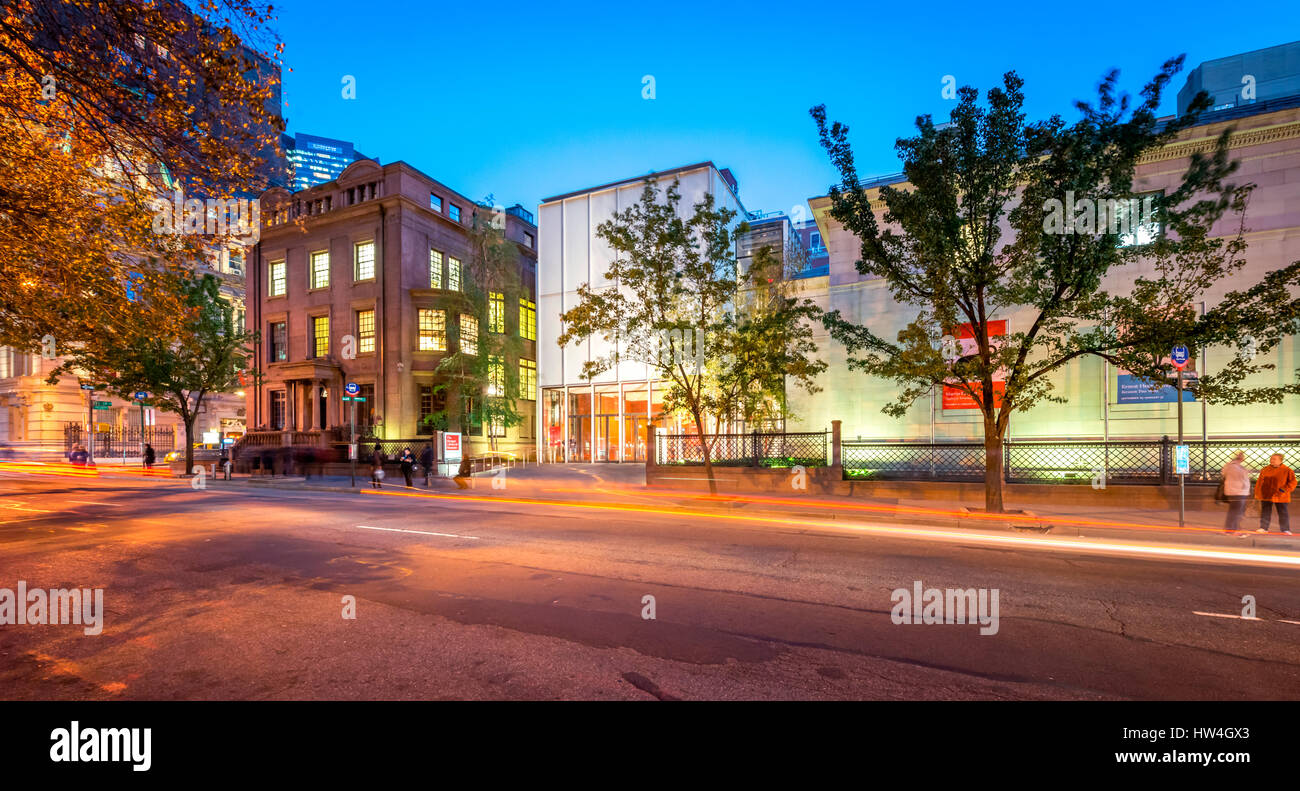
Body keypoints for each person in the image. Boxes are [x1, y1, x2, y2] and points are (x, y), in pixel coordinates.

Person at [1254, 452, 1296, 535]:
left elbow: (1293, 482)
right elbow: (1259, 483)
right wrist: (1258, 493)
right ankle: (1263, 528)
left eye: (1274, 459)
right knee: (1265, 512)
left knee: (1283, 513)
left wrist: (1284, 489)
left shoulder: (1287, 470)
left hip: (1281, 496)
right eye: (1271, 458)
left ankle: (1285, 529)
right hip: (1266, 495)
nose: (1271, 460)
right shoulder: (1265, 469)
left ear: (1280, 460)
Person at [1220, 450, 1252, 536]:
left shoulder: (1230, 466)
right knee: (1237, 512)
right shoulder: (1234, 467)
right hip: (1238, 492)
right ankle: (1232, 530)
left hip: (1235, 492)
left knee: (1234, 511)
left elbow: (1224, 474)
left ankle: (1231, 529)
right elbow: (1242, 478)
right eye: (1241, 456)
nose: (1243, 457)